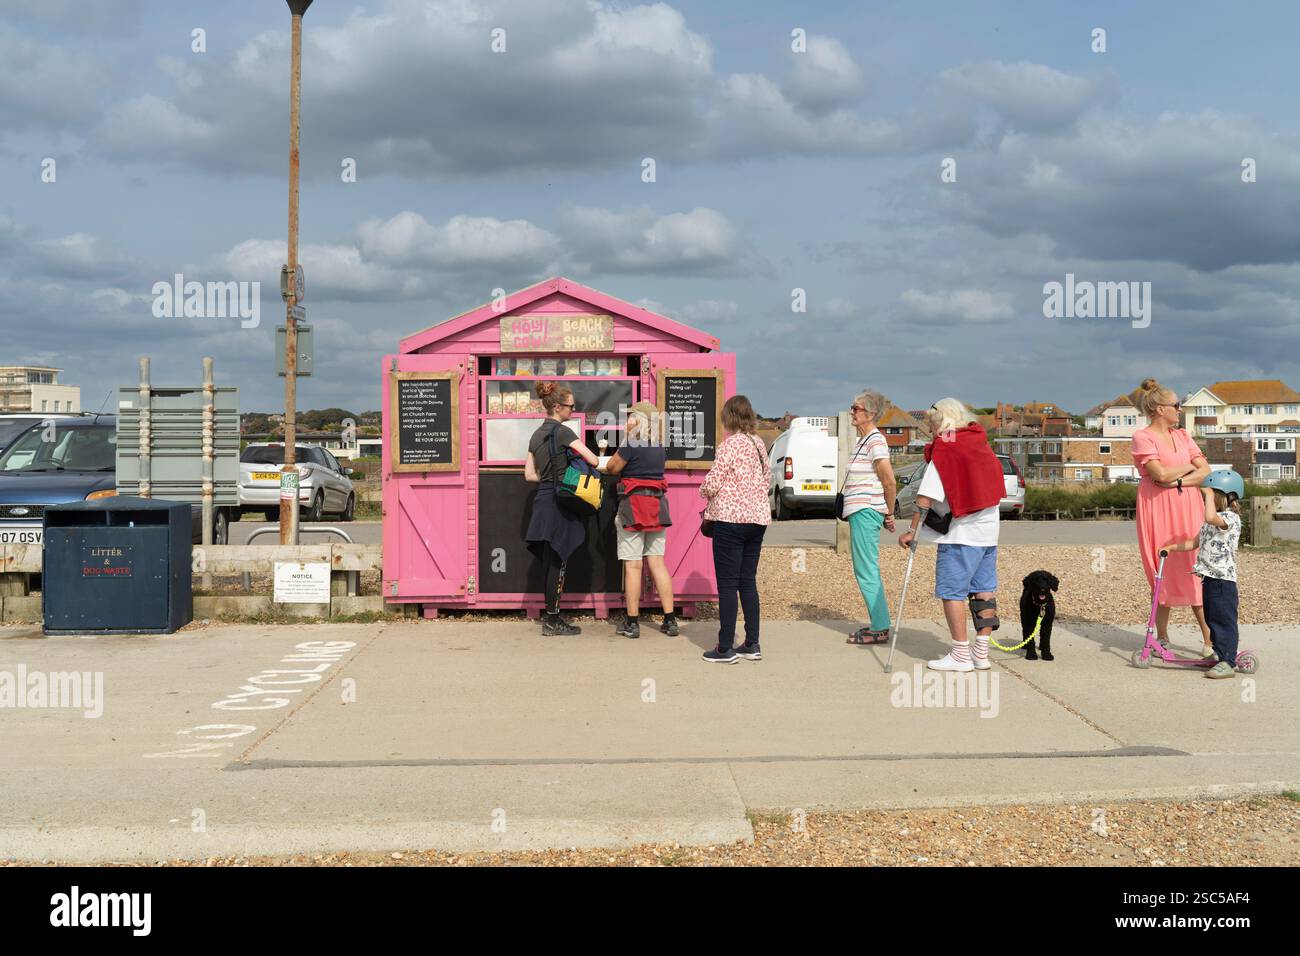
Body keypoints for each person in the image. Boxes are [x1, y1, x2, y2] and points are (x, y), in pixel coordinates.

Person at [898, 398, 1004, 673]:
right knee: (984, 589)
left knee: (952, 592)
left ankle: (960, 654)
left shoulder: (945, 450)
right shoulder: (979, 443)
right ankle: (981, 652)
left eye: (933, 426)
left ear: (940, 423)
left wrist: (912, 531)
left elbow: (925, 499)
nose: (932, 432)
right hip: (989, 531)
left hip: (961, 534)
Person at [1131, 378, 1213, 656]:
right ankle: (1162, 635)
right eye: (1176, 405)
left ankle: (1209, 639)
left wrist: (1178, 480)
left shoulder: (1183, 436)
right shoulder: (1143, 437)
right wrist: (1188, 467)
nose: (1179, 410)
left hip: (1187, 504)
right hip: (1157, 508)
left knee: (1194, 566)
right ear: (1158, 409)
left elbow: (1205, 471)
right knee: (1162, 568)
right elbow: (1159, 474)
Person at [524, 380, 601, 636]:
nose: (572, 411)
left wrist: (550, 478)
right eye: (570, 407)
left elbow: (528, 475)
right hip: (560, 502)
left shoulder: (536, 435)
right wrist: (565, 476)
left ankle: (552, 615)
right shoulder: (564, 431)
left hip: (543, 500)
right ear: (557, 407)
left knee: (550, 560)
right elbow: (593, 459)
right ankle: (553, 620)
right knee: (559, 560)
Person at [699, 394, 770, 664]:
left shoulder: (729, 445)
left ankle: (724, 647)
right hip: (757, 519)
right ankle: (752, 642)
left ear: (729, 417)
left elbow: (713, 481)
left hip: (730, 520)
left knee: (727, 584)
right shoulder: (759, 444)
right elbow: (766, 480)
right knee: (747, 581)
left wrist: (703, 490)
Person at [602, 401, 677, 638]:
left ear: (640, 421)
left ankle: (632, 623)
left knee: (633, 565)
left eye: (631, 417)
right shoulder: (659, 446)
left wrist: (625, 440)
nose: (627, 422)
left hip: (633, 509)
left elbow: (613, 467)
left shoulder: (631, 444)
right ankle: (670, 620)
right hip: (657, 508)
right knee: (657, 563)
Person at [1163, 470, 1244, 679]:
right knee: (1212, 618)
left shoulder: (1231, 519)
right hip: (1208, 579)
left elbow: (1210, 515)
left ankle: (1227, 661)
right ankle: (1219, 654)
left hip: (1223, 581)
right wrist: (1171, 547)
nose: (1205, 500)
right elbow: (1194, 542)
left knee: (1223, 620)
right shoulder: (1211, 521)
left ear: (1226, 496)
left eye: (1210, 496)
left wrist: (1207, 493)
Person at [841, 389, 897, 644]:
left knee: (866, 569)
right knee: (864, 568)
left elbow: (889, 480)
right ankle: (879, 623)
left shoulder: (875, 440)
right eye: (853, 407)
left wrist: (890, 511)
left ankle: (881, 627)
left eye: (857, 408)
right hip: (861, 510)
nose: (853, 411)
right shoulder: (865, 440)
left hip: (865, 511)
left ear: (871, 413)